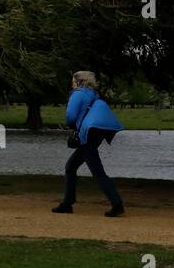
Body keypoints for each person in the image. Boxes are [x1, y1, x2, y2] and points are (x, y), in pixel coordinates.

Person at [53, 70, 125, 216]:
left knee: (97, 171)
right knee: (70, 166)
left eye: (73, 80)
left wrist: (70, 124)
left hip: (86, 135)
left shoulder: (78, 94)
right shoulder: (93, 94)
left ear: (79, 81)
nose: (72, 83)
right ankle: (67, 202)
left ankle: (117, 204)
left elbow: (71, 116)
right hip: (94, 134)